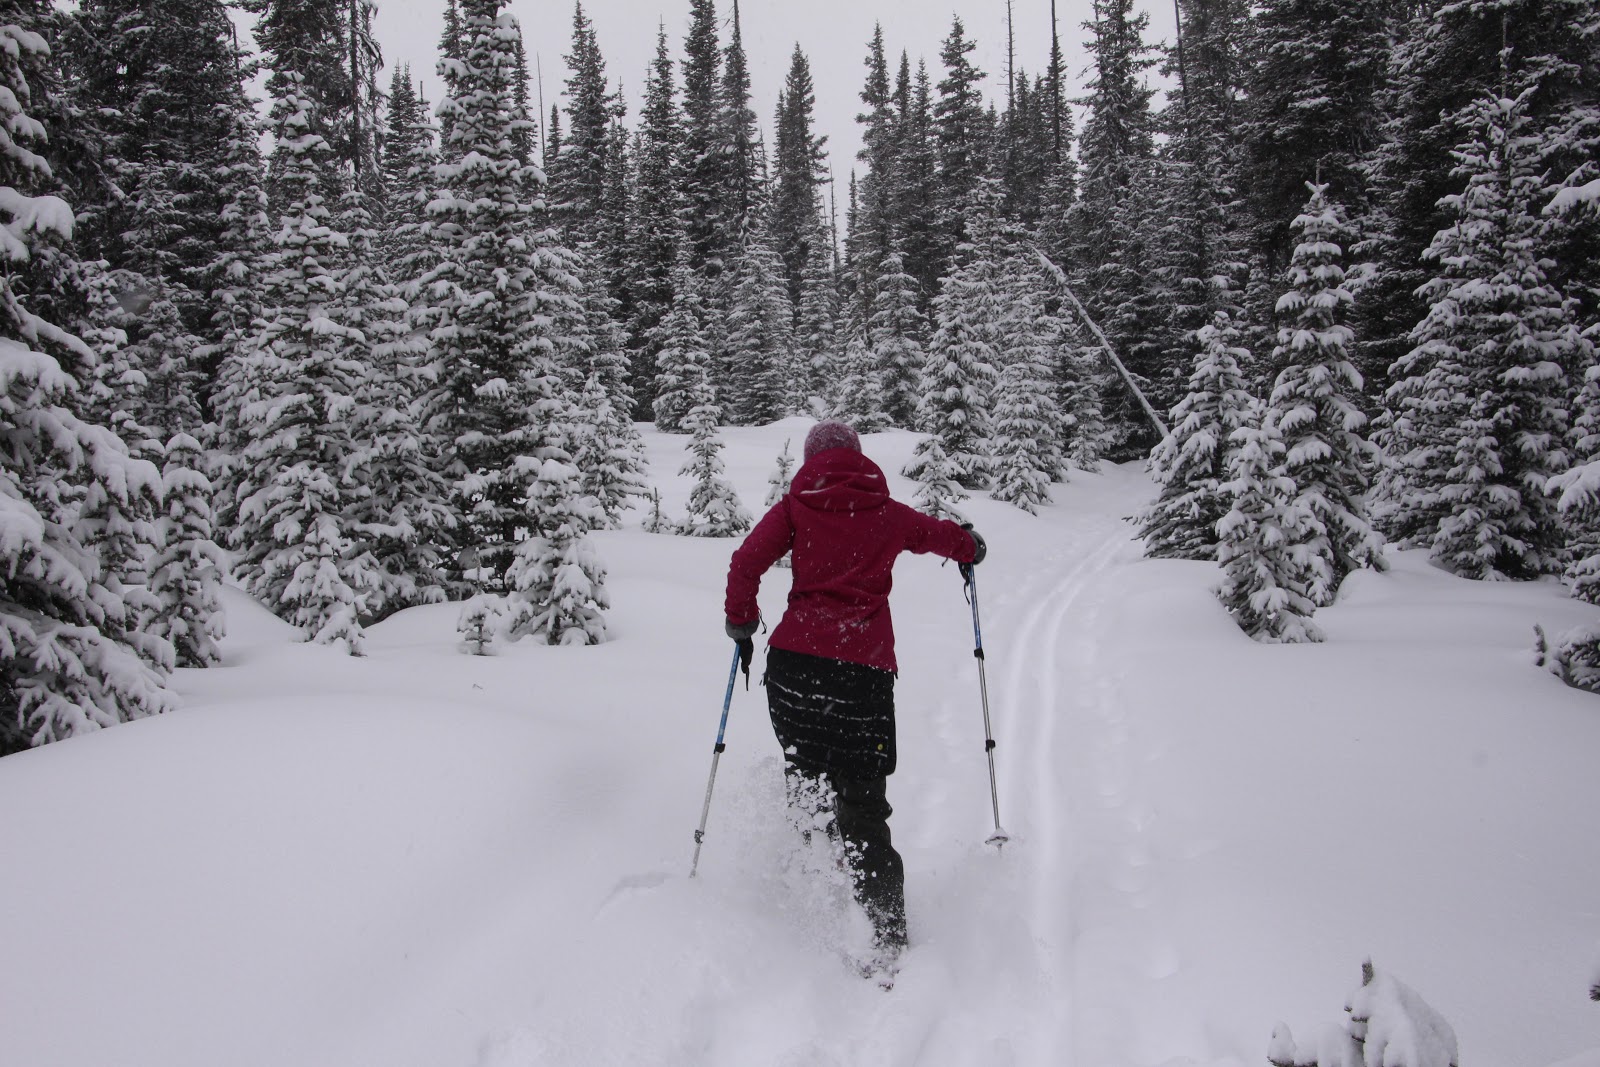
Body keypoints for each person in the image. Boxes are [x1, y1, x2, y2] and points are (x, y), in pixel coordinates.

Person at [723, 420, 985, 968]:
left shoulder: (796, 506)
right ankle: (885, 941)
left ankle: (810, 890)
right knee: (863, 808)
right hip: (860, 677)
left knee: (808, 778)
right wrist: (971, 546)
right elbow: (943, 537)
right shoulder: (886, 512)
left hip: (792, 671)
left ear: (811, 459)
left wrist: (742, 625)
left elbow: (745, 562)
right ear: (857, 457)